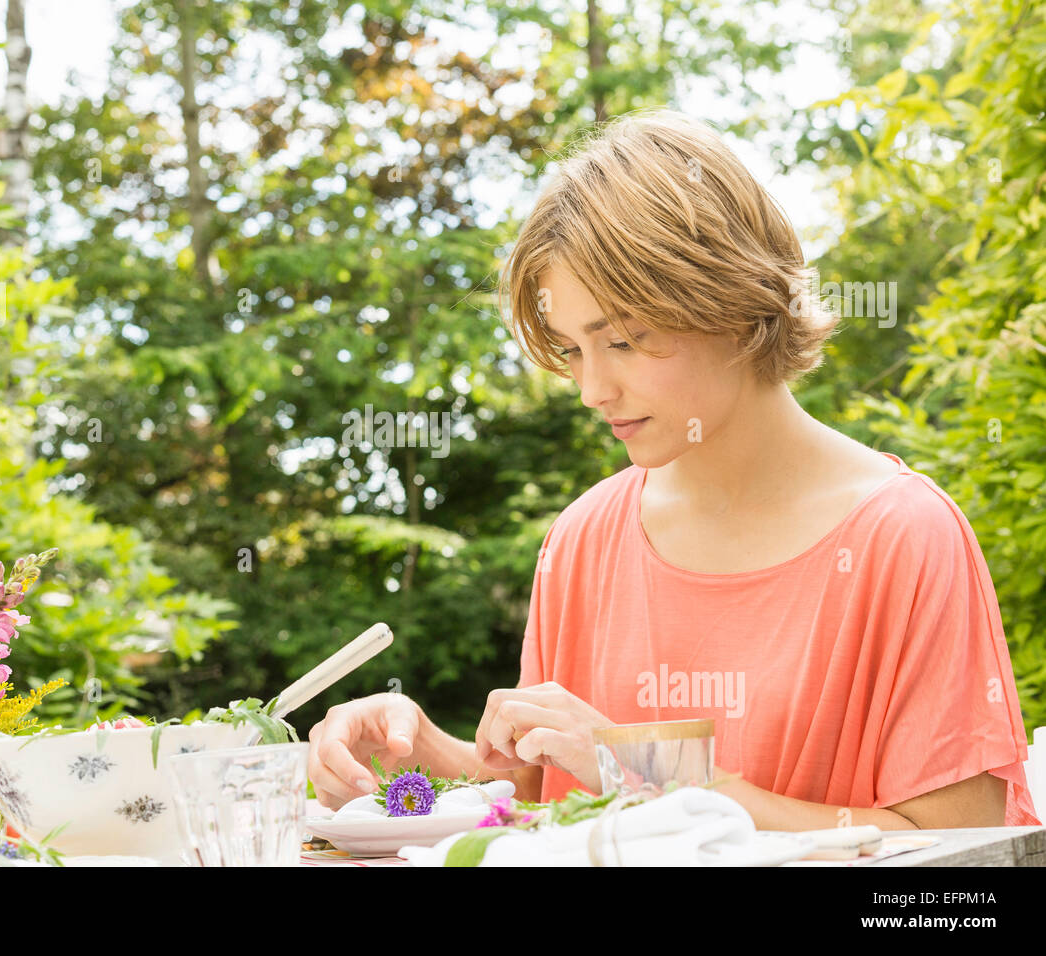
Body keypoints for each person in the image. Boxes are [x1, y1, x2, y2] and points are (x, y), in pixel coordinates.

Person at [307, 108, 1040, 829]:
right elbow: (540, 808)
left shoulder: (904, 537)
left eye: (622, 340)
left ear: (732, 301)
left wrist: (645, 766)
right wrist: (416, 755)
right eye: (571, 350)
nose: (593, 390)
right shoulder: (584, 537)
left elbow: (960, 859)